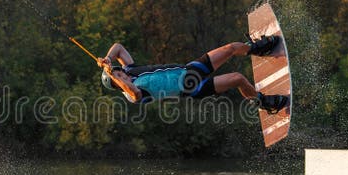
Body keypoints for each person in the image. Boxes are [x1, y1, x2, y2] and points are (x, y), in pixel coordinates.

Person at [97, 36, 289, 112]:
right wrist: (113, 76)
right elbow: (134, 92)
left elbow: (118, 47)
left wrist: (108, 59)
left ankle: (257, 49)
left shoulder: (130, 69)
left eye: (120, 72)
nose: (122, 75)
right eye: (118, 77)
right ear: (118, 84)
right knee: (238, 78)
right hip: (193, 88)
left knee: (230, 48)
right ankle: (263, 102)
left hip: (190, 69)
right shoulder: (132, 94)